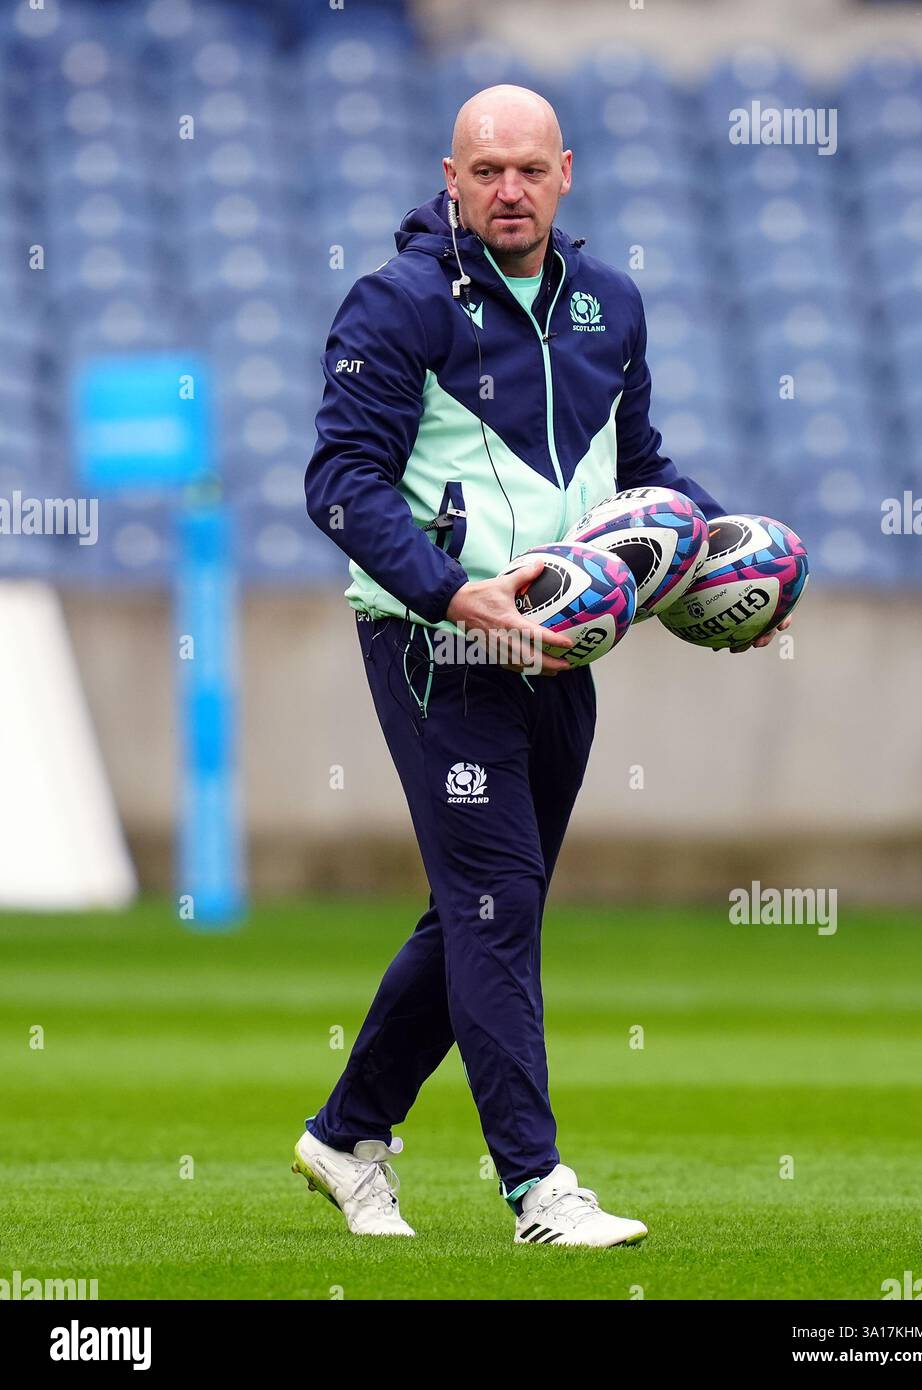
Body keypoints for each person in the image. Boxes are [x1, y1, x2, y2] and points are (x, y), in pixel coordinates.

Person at [297, 84, 788, 1247]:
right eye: (485, 171)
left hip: (565, 643)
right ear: (450, 177)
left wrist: (729, 562)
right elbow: (340, 484)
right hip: (439, 644)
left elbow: (644, 469)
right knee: (496, 902)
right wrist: (446, 588)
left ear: (564, 171)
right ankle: (537, 1189)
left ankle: (344, 1131)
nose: (507, 190)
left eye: (528, 169)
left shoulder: (608, 303)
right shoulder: (397, 302)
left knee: (477, 911)